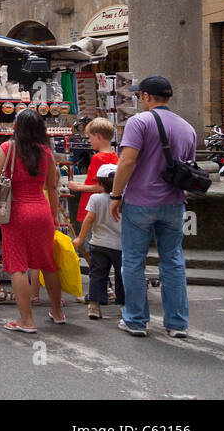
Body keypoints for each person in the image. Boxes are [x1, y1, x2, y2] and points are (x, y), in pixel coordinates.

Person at [109, 75, 194, 338]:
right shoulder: (187, 127)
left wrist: (115, 195)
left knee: (133, 261)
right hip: (174, 203)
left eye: (139, 96)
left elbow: (127, 162)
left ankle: (135, 320)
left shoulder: (139, 122)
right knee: (174, 261)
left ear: (146, 96)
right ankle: (177, 323)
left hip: (140, 202)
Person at [0, 108, 64, 333]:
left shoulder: (7, 148)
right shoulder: (46, 152)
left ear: (16, 128)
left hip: (16, 213)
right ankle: (58, 312)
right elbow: (53, 187)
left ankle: (26, 321)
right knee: (48, 264)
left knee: (17, 267)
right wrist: (54, 217)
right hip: (42, 212)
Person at [75, 165, 124, 321]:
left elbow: (89, 219)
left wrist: (80, 238)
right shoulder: (124, 199)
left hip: (98, 244)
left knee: (97, 274)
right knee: (122, 276)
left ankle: (94, 306)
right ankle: (124, 306)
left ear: (100, 183)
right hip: (120, 245)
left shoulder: (95, 198)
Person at [71, 118, 119, 229]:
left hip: (91, 207)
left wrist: (78, 188)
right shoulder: (114, 156)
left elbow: (101, 187)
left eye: (90, 137)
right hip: (104, 209)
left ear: (98, 136)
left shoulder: (98, 158)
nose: (89, 141)